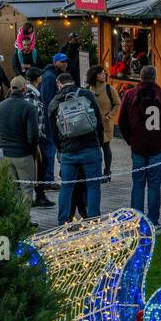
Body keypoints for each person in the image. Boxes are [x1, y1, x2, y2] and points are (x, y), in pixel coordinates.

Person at [117, 65, 161, 228]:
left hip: (138, 145)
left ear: (140, 77)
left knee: (138, 183)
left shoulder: (130, 95)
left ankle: (136, 219)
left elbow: (122, 121)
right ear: (154, 77)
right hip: (157, 144)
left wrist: (130, 139)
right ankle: (153, 220)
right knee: (154, 184)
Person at [48, 73, 104, 225]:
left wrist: (61, 150)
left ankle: (63, 220)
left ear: (58, 83)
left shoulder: (55, 102)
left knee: (66, 187)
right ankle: (93, 219)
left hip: (68, 152)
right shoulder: (86, 94)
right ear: (73, 81)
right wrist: (99, 143)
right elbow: (98, 121)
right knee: (93, 185)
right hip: (90, 147)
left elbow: (53, 132)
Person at [0, 75, 39, 209]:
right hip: (23, 153)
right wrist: (32, 150)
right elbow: (33, 135)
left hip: (4, 154)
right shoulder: (28, 107)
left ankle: (14, 219)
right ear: (24, 89)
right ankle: (24, 220)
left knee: (11, 188)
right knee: (26, 187)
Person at [40, 51, 70, 188]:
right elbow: (47, 100)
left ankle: (48, 178)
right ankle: (48, 179)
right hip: (49, 120)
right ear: (55, 62)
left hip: (52, 118)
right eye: (62, 61)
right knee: (50, 149)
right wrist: (50, 119)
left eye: (66, 61)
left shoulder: (53, 75)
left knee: (51, 149)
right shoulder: (49, 77)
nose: (65, 64)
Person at [87, 64, 121, 182]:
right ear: (94, 75)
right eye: (101, 73)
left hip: (106, 122)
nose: (104, 74)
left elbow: (117, 104)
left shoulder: (109, 88)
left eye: (104, 72)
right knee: (95, 148)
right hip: (92, 122)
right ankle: (96, 171)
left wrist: (110, 116)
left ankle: (107, 172)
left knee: (106, 146)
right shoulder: (88, 89)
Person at [24, 67, 53, 207]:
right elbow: (32, 119)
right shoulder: (31, 95)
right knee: (42, 164)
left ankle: (40, 195)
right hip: (36, 137)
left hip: (37, 136)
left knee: (41, 165)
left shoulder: (33, 93)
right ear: (38, 78)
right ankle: (39, 195)